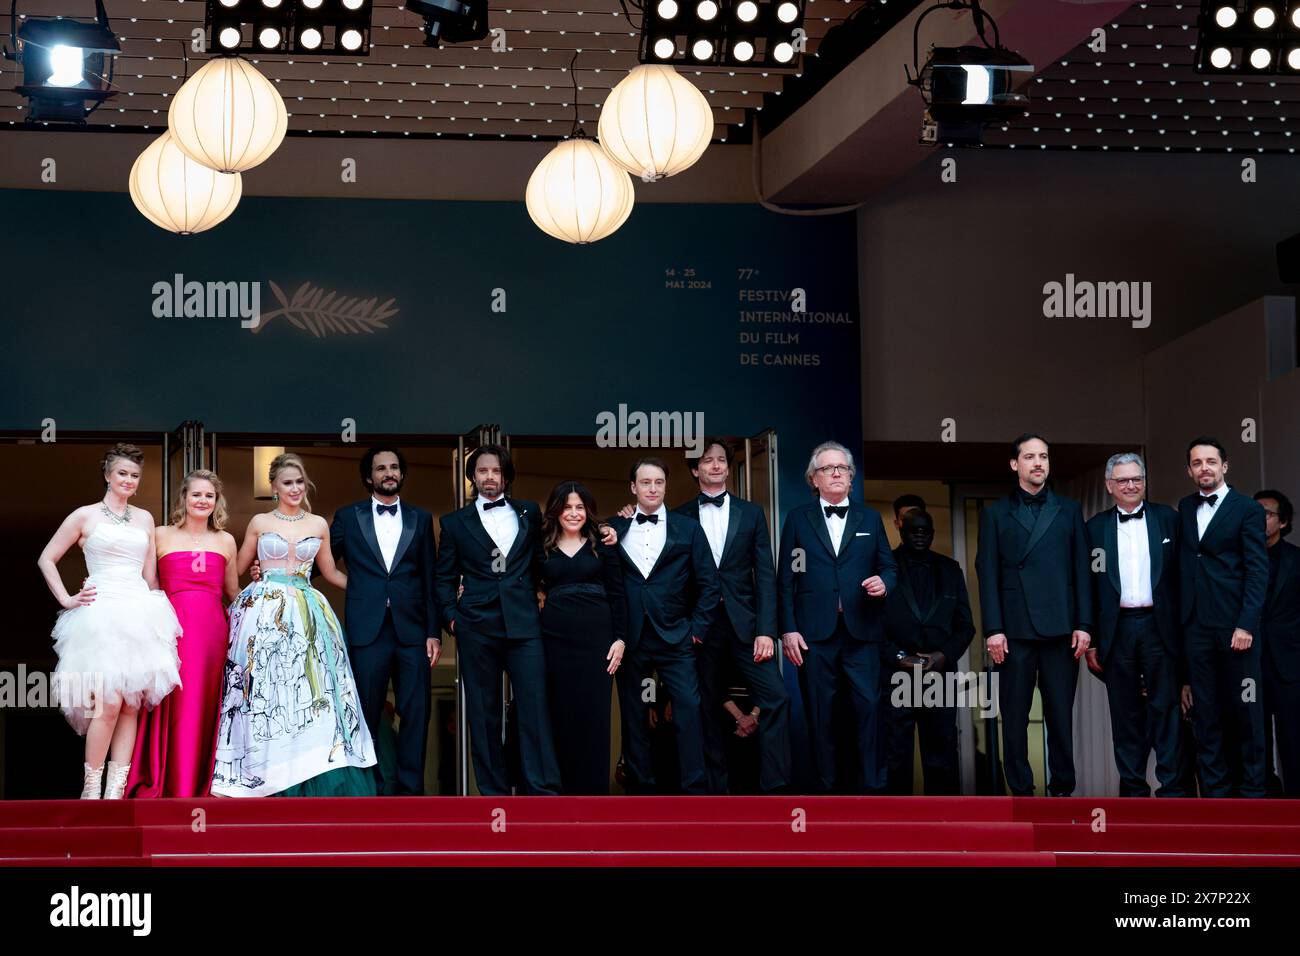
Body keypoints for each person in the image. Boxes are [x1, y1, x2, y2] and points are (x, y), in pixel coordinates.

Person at [212, 452, 376, 797]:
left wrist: (374, 589)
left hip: (307, 610)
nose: (295, 488)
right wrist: (240, 594)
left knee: (310, 693)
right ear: (273, 487)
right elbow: (236, 567)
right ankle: (263, 772)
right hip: (264, 612)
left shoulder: (318, 524)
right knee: (268, 693)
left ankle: (312, 771)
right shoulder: (258, 522)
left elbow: (330, 572)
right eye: (287, 482)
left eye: (300, 482)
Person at [37, 443, 182, 799]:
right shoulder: (84, 516)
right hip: (101, 612)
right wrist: (67, 599)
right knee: (109, 701)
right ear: (107, 474)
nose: (129, 480)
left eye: (134, 475)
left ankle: (115, 791)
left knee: (132, 702)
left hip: (138, 609)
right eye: (122, 473)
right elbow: (46, 559)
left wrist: (159, 616)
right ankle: (91, 786)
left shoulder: (145, 518)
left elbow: (151, 575)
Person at [434, 444, 561, 795]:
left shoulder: (528, 513)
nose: (490, 477)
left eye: (496, 471)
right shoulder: (454, 523)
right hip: (476, 626)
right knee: (483, 710)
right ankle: (493, 792)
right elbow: (443, 578)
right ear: (472, 476)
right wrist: (452, 620)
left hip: (524, 625)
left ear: (506, 476)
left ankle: (541, 789)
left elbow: (541, 560)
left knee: (534, 708)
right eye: (483, 471)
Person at [670, 438, 790, 794]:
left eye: (721, 459)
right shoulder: (678, 517)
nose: (717, 465)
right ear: (695, 469)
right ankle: (713, 793)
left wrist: (767, 630)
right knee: (703, 703)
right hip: (700, 625)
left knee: (776, 697)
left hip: (747, 624)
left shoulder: (751, 513)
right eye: (708, 461)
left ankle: (775, 788)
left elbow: (765, 574)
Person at [976, 433, 1091, 797]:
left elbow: (1082, 572)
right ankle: (1021, 790)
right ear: (1015, 464)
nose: (1038, 462)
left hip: (1060, 630)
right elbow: (987, 572)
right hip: (1014, 629)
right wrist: (993, 629)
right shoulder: (994, 514)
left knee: (1059, 715)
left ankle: (1062, 789)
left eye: (1043, 456)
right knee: (1014, 716)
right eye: (1030, 457)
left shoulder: (1070, 511)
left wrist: (1084, 625)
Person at [779, 440, 897, 794]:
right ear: (813, 479)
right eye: (827, 468)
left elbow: (888, 567)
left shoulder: (870, 518)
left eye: (842, 468)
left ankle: (872, 790)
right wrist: (787, 629)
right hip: (814, 636)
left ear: (850, 477)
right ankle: (827, 792)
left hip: (862, 631)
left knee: (869, 709)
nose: (836, 473)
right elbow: (786, 578)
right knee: (820, 714)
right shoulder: (798, 519)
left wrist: (884, 582)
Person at [330, 445, 440, 795]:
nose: (388, 473)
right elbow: (320, 562)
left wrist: (433, 632)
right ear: (369, 476)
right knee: (366, 713)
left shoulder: (422, 519)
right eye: (381, 468)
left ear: (402, 475)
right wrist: (275, 567)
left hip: (412, 631)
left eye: (394, 467)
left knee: (415, 712)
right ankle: (369, 790)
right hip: (367, 630)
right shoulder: (347, 517)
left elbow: (430, 577)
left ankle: (410, 791)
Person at [608, 457, 721, 795]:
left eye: (658, 482)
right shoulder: (615, 527)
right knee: (635, 714)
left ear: (665, 486)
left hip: (676, 636)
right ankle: (641, 788)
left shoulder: (688, 528)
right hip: (632, 637)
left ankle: (694, 788)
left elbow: (709, 583)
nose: (653, 488)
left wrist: (696, 630)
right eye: (645, 483)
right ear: (633, 488)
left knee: (688, 709)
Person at [128, 469, 239, 798]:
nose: (203, 500)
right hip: (171, 630)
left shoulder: (226, 540)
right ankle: (170, 782)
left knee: (205, 703)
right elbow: (149, 585)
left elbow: (234, 593)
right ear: (184, 498)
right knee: (175, 703)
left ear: (216, 501)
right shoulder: (160, 535)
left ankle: (201, 783)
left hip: (212, 635)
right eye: (197, 494)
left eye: (209, 495)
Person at [1084, 453, 1184, 797]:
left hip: (1160, 626)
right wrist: (1093, 638)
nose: (1131, 486)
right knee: (1125, 712)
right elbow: (1088, 588)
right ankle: (1133, 790)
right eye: (1123, 480)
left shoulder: (1169, 519)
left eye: (1137, 479)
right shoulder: (1094, 528)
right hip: (1118, 629)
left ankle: (1172, 788)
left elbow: (1183, 579)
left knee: (1166, 707)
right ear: (1110, 486)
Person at [1177, 438, 1269, 798]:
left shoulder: (1247, 509)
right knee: (1205, 712)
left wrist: (1246, 623)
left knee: (1246, 711)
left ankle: (1252, 793)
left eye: (1211, 461)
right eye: (1197, 463)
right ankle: (1215, 793)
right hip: (1196, 627)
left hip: (1235, 628)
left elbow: (1257, 571)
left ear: (1225, 466)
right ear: (1189, 470)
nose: (1205, 468)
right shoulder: (1185, 507)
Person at [537, 480, 627, 794]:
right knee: (559, 715)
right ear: (556, 511)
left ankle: (593, 798)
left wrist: (621, 639)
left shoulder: (603, 542)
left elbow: (618, 592)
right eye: (567, 507)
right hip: (554, 640)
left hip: (598, 642)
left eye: (580, 507)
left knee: (594, 718)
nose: (574, 513)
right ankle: (560, 797)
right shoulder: (541, 545)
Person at [883, 508, 974, 795]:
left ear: (933, 534)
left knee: (942, 753)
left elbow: (966, 626)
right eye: (914, 530)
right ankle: (896, 827)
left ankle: (945, 826)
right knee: (896, 754)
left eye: (926, 531)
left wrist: (942, 655)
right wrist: (899, 657)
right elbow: (871, 626)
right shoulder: (885, 568)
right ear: (902, 531)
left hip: (939, 673)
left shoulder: (951, 569)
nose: (920, 536)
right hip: (898, 674)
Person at [1253, 489, 1299, 797]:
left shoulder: (1297, 560)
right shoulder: (1238, 561)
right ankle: (1265, 802)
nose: (1259, 519)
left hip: (1290, 664)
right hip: (1249, 662)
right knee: (1254, 741)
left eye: (1266, 514)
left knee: (1293, 740)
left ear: (1282, 522)